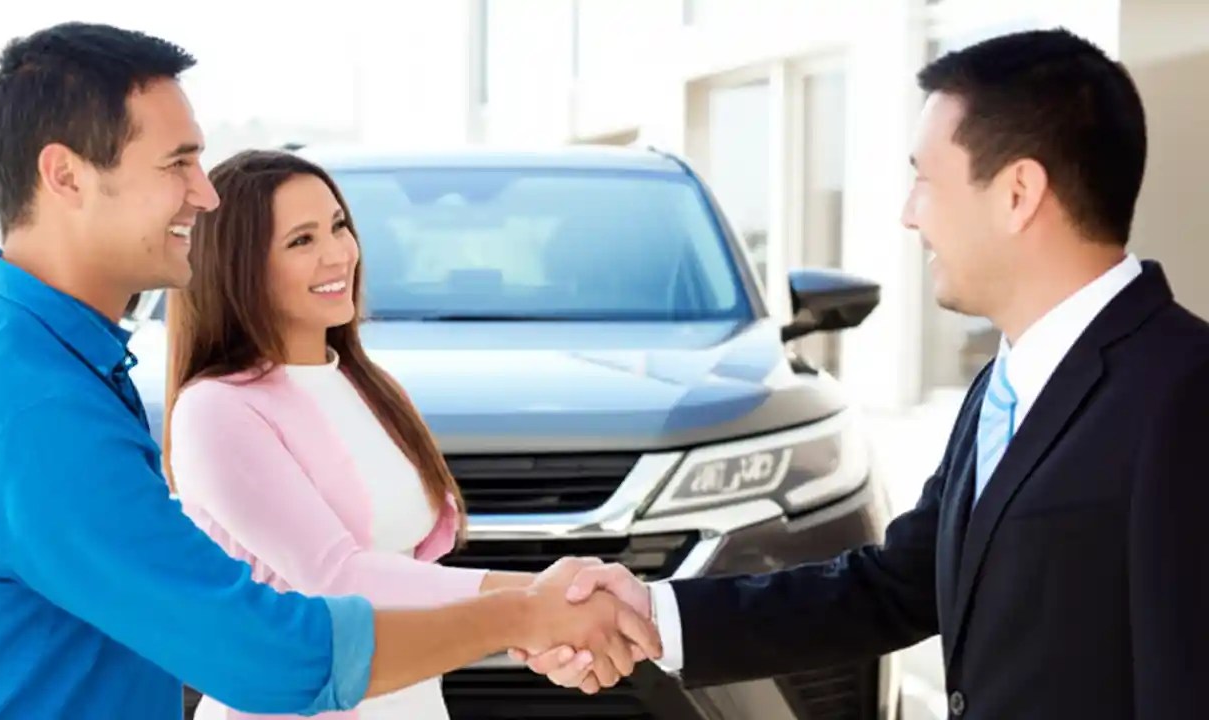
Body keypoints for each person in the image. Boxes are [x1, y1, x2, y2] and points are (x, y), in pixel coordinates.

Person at [0, 22, 658, 720]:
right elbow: (265, 652)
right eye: (176, 163)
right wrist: (522, 613)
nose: (205, 193)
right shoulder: (32, 407)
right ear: (66, 176)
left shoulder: (37, 361)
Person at [518, 27, 1209, 719]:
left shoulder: (1184, 392)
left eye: (925, 180)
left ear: (1018, 193)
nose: (910, 216)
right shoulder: (1009, 383)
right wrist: (654, 614)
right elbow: (899, 585)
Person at [163, 149, 642, 720]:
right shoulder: (217, 411)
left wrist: (551, 602)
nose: (338, 254)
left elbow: (411, 573)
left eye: (339, 226)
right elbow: (339, 576)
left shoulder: (370, 387)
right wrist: (537, 603)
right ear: (238, 267)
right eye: (302, 241)